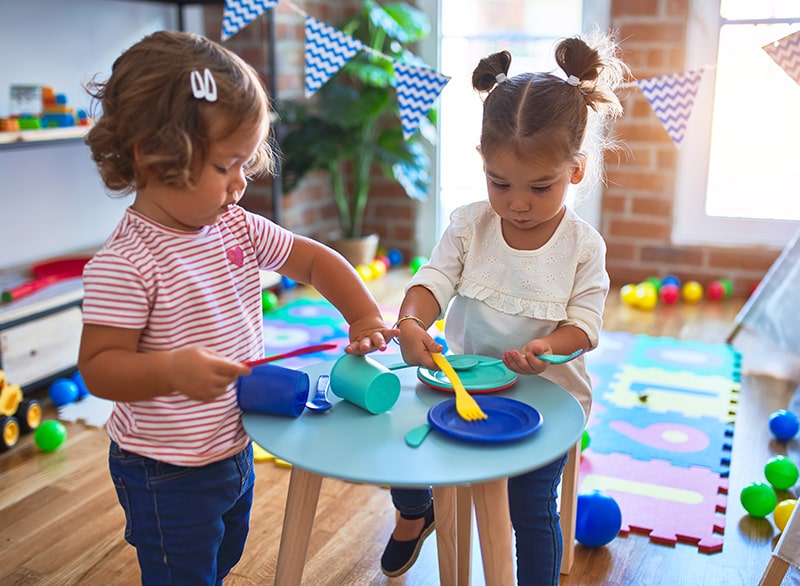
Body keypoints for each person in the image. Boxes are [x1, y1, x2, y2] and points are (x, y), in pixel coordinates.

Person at [77, 30, 397, 586]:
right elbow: (99, 366)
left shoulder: (235, 226)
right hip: (163, 470)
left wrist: (364, 315)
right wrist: (171, 370)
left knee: (224, 557)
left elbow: (315, 262)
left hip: (233, 445)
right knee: (184, 573)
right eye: (227, 166)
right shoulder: (125, 263)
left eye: (245, 164)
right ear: (154, 159)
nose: (241, 184)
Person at [380, 34, 629, 584]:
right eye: (501, 183)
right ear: (482, 164)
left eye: (541, 187)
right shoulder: (471, 224)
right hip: (463, 381)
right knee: (396, 435)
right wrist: (412, 320)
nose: (518, 202)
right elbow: (434, 280)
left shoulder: (583, 246)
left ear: (577, 170)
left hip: (549, 397)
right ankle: (416, 510)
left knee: (530, 508)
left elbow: (584, 325)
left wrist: (547, 348)